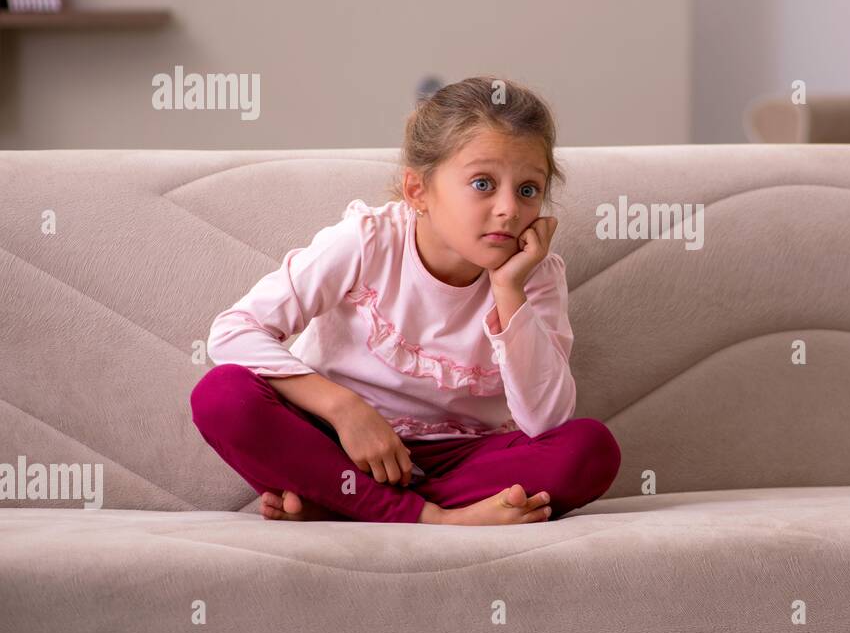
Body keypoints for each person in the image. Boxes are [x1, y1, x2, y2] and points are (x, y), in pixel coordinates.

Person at [189, 75, 620, 525]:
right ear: (418, 191)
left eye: (528, 190)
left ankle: (350, 505)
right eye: (482, 184)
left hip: (458, 455)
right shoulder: (367, 242)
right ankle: (434, 518)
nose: (510, 209)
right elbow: (233, 331)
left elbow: (545, 420)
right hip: (339, 442)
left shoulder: (535, 275)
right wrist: (344, 409)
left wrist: (509, 290)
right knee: (223, 396)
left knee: (590, 449)